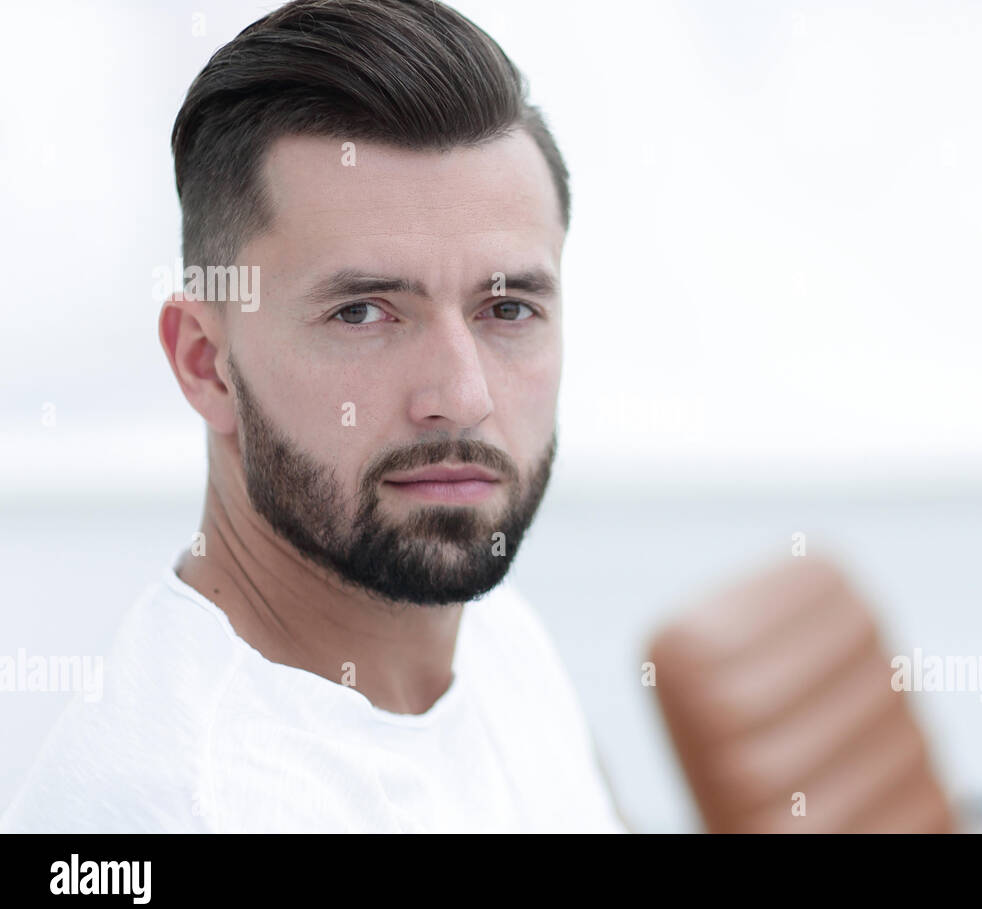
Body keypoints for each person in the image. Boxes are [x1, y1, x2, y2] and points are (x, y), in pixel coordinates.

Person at [1, 0, 627, 833]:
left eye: (508, 309)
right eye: (363, 313)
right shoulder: (172, 808)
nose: (464, 396)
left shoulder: (500, 640)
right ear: (204, 362)